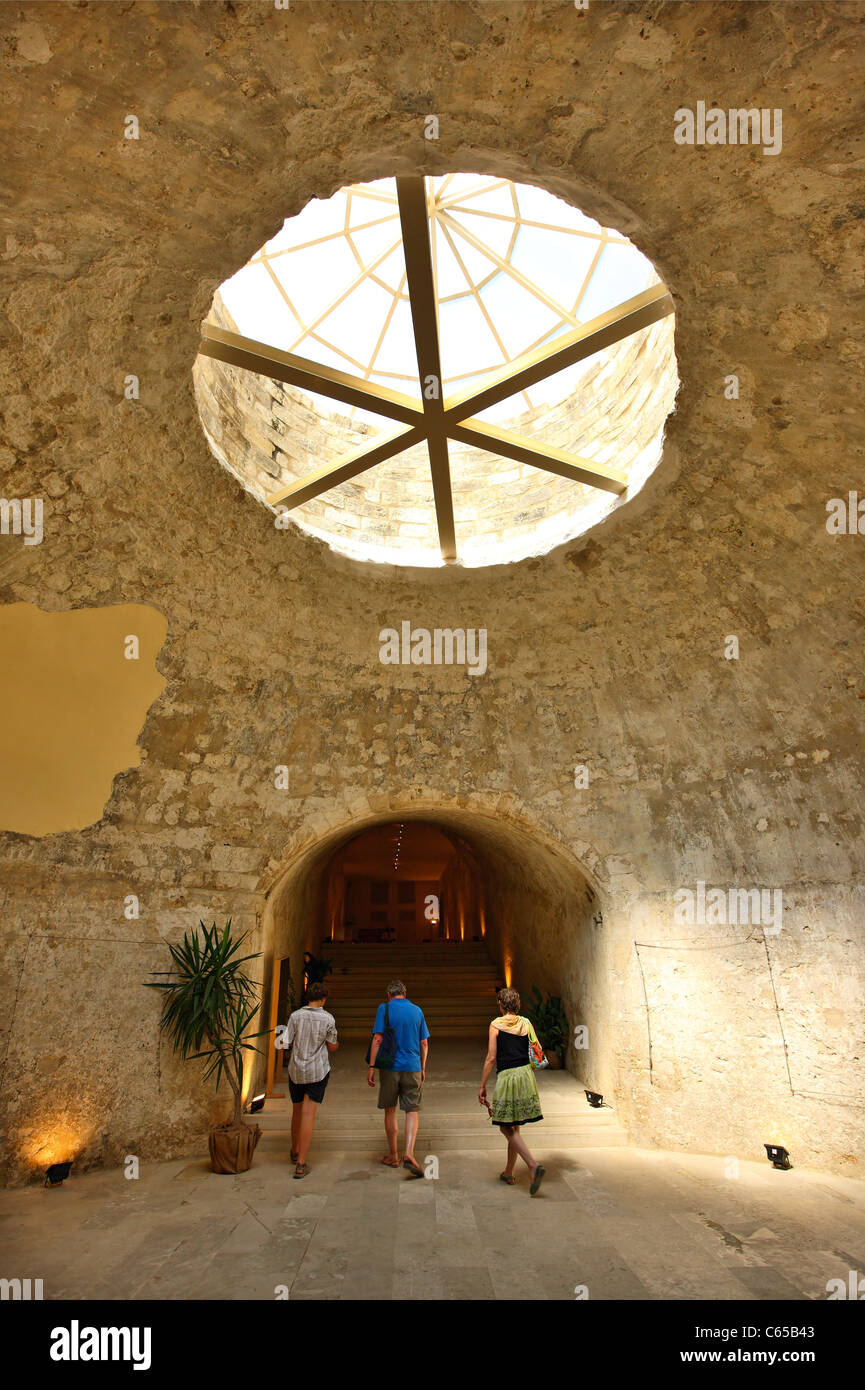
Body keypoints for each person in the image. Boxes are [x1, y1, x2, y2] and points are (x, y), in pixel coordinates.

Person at [479, 987, 545, 1195]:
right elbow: (537, 1047)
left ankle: (533, 1165)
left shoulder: (495, 1025)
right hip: (525, 1076)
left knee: (505, 1127)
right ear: (517, 1004)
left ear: (500, 1004)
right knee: (515, 1126)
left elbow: (491, 1057)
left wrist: (482, 1085)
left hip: (508, 1077)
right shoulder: (525, 1023)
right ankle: (509, 1171)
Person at [367, 979, 430, 1177]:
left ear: (389, 995)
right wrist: (422, 1068)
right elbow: (424, 1043)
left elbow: (378, 1039)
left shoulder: (384, 1009)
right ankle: (409, 1152)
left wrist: (371, 1067)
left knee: (390, 1109)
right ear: (405, 993)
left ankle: (393, 1155)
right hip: (412, 1065)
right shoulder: (417, 1011)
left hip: (389, 1066)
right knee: (411, 1110)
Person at [283, 982, 339, 1179]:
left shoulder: (295, 1016)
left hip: (296, 1070)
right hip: (317, 1071)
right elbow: (332, 1046)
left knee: (297, 1110)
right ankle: (301, 1163)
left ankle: (295, 1149)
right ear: (323, 999)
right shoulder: (328, 1019)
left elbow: (287, 1042)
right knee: (308, 1114)